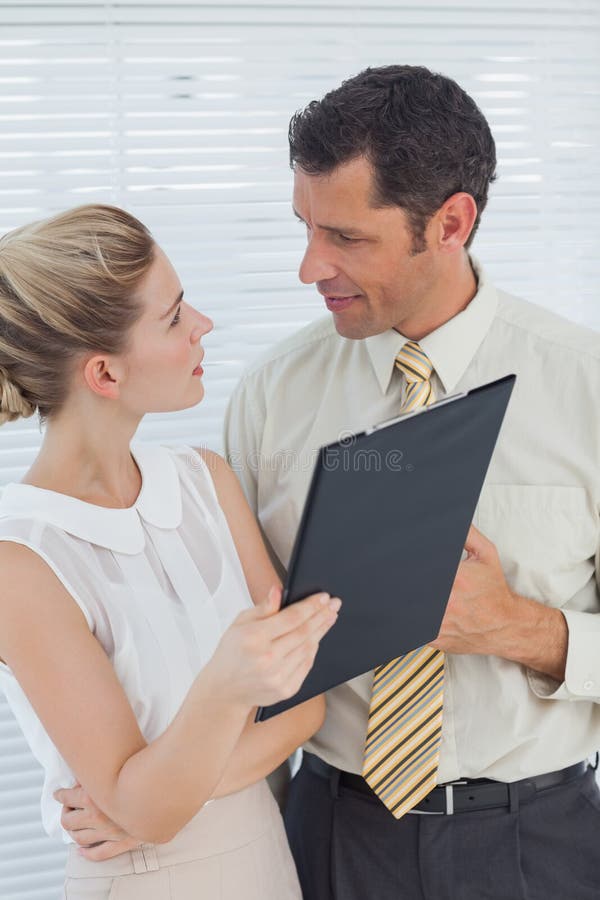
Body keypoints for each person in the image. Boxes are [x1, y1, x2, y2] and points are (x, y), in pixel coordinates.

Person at [55, 65, 600, 899]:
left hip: (540, 842)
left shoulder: (585, 388)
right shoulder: (273, 396)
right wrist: (159, 804)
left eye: (345, 237)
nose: (311, 267)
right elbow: (230, 665)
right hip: (332, 834)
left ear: (451, 222)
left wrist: (520, 628)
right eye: (305, 227)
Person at [0, 204, 342, 900]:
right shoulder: (21, 563)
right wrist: (224, 689)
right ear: (104, 374)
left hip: (266, 860)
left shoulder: (205, 481)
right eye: (175, 315)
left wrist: (150, 803)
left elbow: (310, 705)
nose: (202, 326)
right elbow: (147, 806)